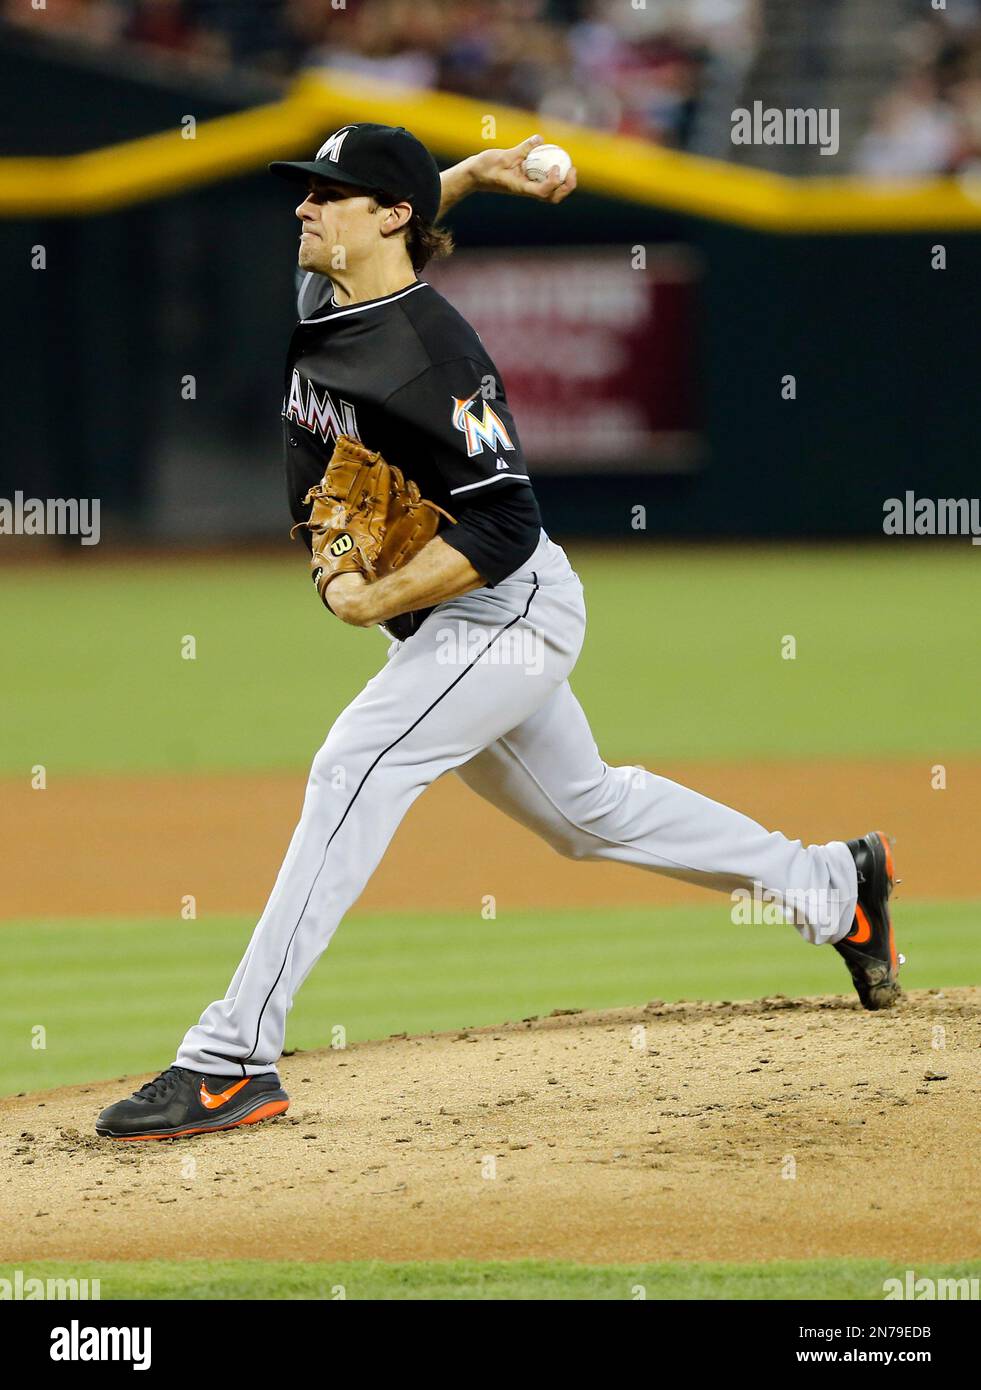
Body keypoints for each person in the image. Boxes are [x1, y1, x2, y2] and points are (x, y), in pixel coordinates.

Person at [95, 125, 900, 1141]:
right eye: (306, 191)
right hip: (451, 621)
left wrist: (368, 600)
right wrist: (470, 173)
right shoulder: (334, 293)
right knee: (587, 813)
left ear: (386, 218)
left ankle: (230, 1059)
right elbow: (402, 217)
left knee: (355, 765)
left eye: (328, 194)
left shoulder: (434, 357)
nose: (303, 208)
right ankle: (834, 883)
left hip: (503, 609)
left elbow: (508, 523)